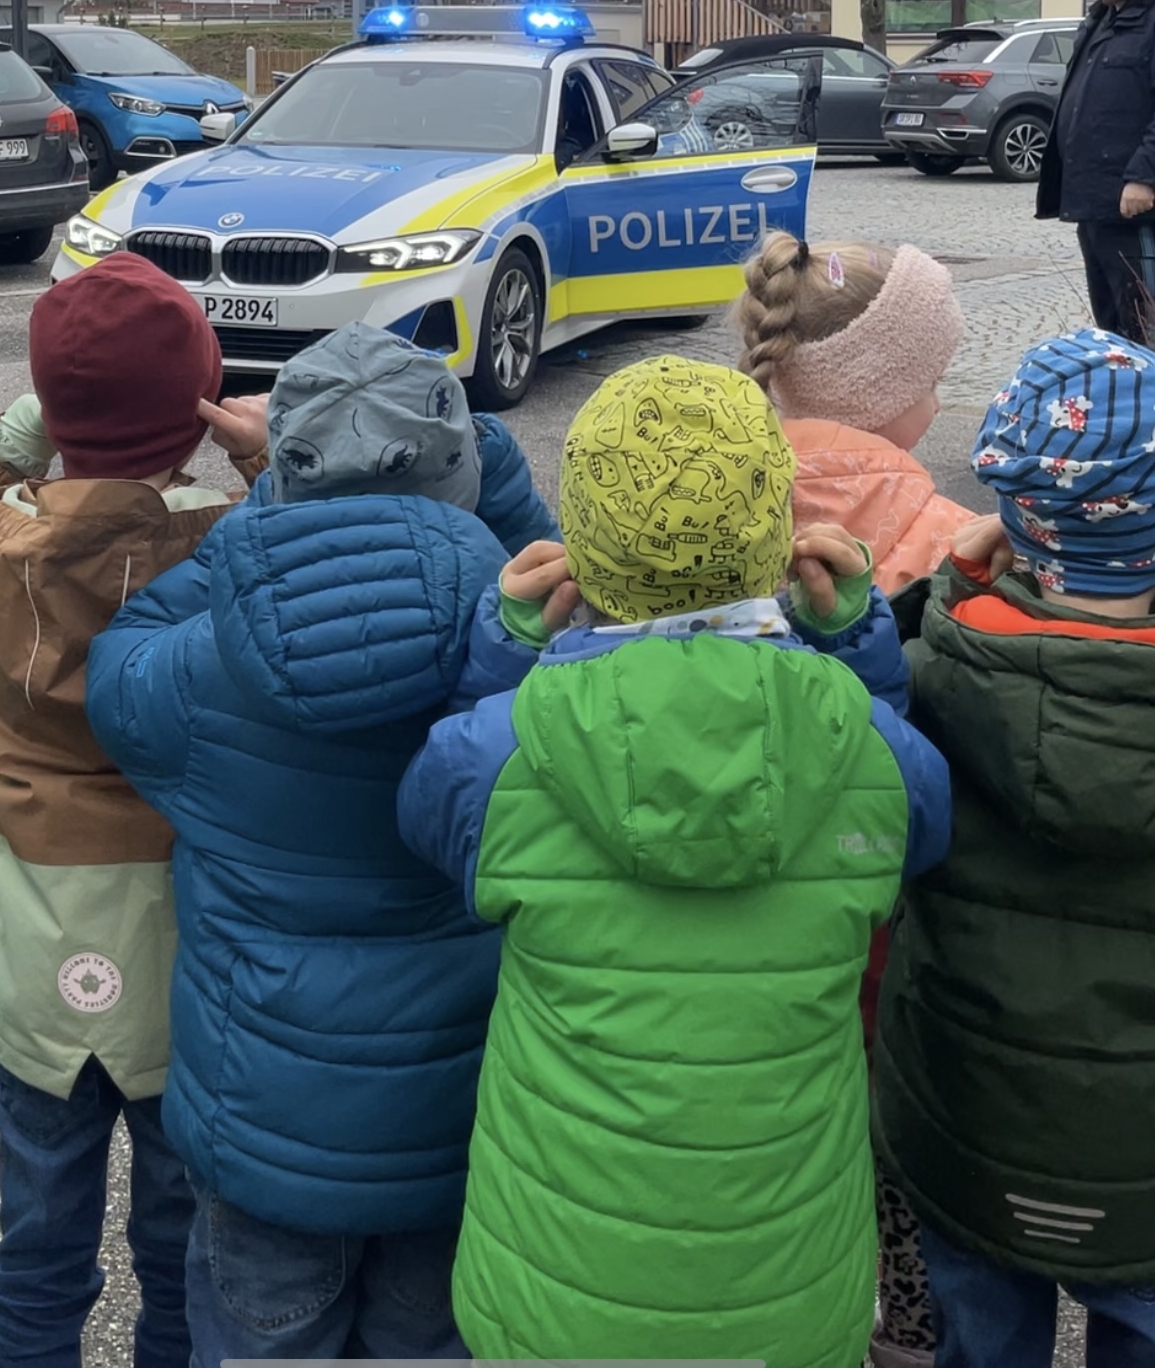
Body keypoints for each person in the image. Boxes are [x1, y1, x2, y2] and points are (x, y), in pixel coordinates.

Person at [398, 356, 951, 1367]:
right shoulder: (866, 747)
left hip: (554, 1285)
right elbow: (916, 815)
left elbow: (440, 812)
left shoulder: (500, 751)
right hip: (787, 1288)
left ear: (587, 546)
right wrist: (856, 647)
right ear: (777, 540)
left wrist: (506, 655)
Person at [84, 321, 557, 1366]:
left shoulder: (202, 675)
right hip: (456, 1115)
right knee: (428, 1339)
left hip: (261, 1129)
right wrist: (499, 484)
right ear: (462, 479)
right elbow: (553, 561)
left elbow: (119, 664)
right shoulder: (527, 652)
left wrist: (269, 512)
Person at [0, 254, 264, 1368]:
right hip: (186, 955)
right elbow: (328, 551)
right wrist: (268, 453)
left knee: (40, 1247)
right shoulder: (239, 546)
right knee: (180, 1251)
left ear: (52, 409)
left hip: (35, 954)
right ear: (195, 402)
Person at [874, 328, 1155, 1368]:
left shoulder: (931, 673)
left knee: (978, 1338)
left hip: (966, 1121)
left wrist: (944, 588)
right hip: (1140, 1160)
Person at [738, 228, 972, 1367]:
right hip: (900, 957)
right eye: (931, 378)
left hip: (740, 966)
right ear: (895, 397)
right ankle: (907, 1333)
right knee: (896, 1176)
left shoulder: (706, 510)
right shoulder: (946, 544)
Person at [738, 230, 972, 595]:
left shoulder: (726, 506)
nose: (938, 403)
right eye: (930, 383)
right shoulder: (954, 540)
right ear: (869, 389)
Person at [1038, 0, 1155, 343]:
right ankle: (1128, 404)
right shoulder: (1102, 20)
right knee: (1113, 328)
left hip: (1137, 209)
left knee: (1146, 326)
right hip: (1095, 207)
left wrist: (1145, 176)